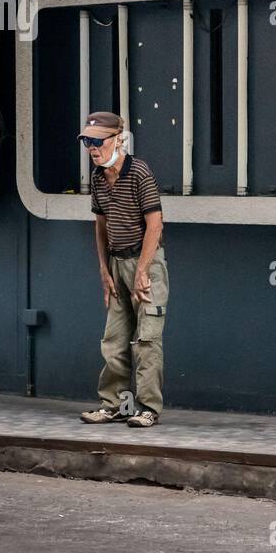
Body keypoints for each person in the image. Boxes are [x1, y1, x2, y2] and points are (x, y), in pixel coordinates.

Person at [76, 112, 169, 428]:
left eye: (97, 141)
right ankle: (112, 404)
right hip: (116, 263)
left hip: (146, 263)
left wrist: (142, 271)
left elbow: (155, 225)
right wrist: (104, 270)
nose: (92, 147)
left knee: (146, 340)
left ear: (118, 139)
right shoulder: (98, 178)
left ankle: (148, 408)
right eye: (88, 141)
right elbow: (100, 224)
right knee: (113, 339)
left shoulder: (140, 172)